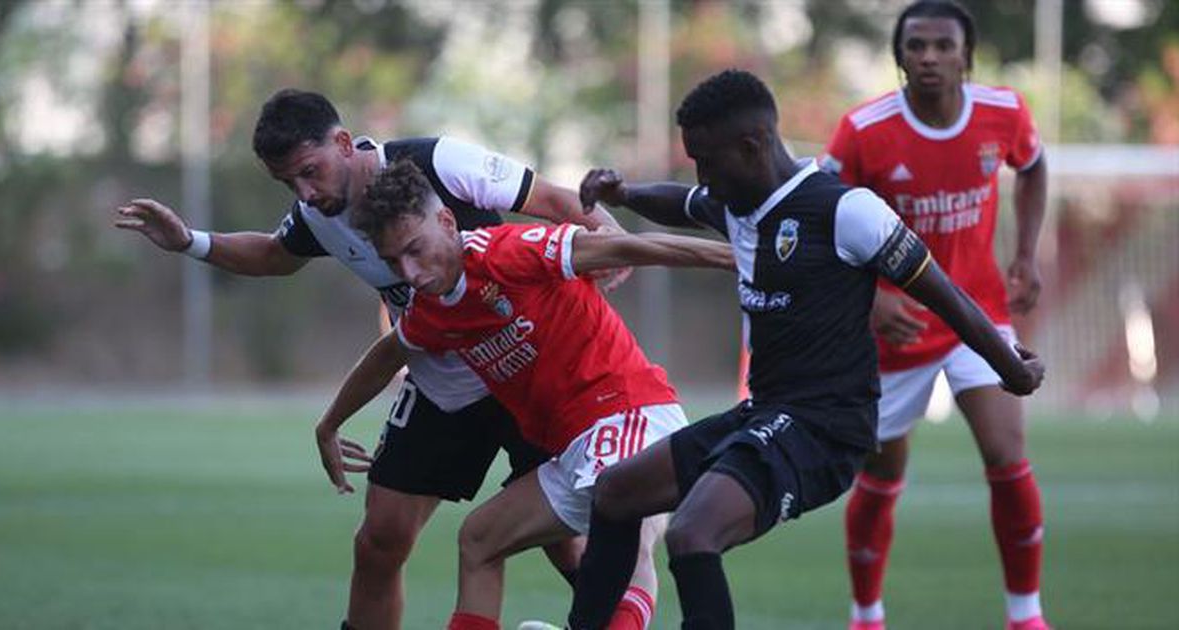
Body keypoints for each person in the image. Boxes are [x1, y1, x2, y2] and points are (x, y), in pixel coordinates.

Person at [528, 68, 1044, 629]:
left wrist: (1008, 367)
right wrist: (625, 194)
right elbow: (682, 203)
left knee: (692, 533)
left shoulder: (846, 211)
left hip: (827, 427)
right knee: (616, 492)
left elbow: (945, 294)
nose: (703, 175)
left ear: (752, 146)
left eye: (707, 159)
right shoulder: (738, 201)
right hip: (768, 412)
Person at [114, 89, 626, 630]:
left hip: (523, 369)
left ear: (341, 142)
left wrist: (613, 242)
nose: (304, 192)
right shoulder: (319, 213)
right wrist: (188, 241)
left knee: (567, 548)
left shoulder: (437, 162)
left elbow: (551, 200)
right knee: (380, 539)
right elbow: (273, 255)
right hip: (443, 383)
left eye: (309, 172)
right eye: (288, 183)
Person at [312, 158, 736, 630]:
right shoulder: (431, 311)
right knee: (479, 540)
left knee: (623, 530)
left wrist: (739, 260)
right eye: (394, 262)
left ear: (447, 221)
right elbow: (389, 353)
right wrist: (329, 423)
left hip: (628, 411)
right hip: (572, 446)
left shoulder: (508, 253)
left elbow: (630, 246)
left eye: (415, 249)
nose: (410, 272)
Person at [820, 2, 1050, 628]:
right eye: (915, 46)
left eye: (942, 46)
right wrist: (869, 296)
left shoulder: (1003, 113)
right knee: (882, 471)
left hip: (977, 319)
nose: (928, 57)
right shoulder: (863, 131)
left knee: (1007, 454)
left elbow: (1032, 167)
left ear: (965, 56)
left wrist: (1026, 255)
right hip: (898, 331)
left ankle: (1025, 615)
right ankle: (866, 614)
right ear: (899, 57)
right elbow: (816, 220)